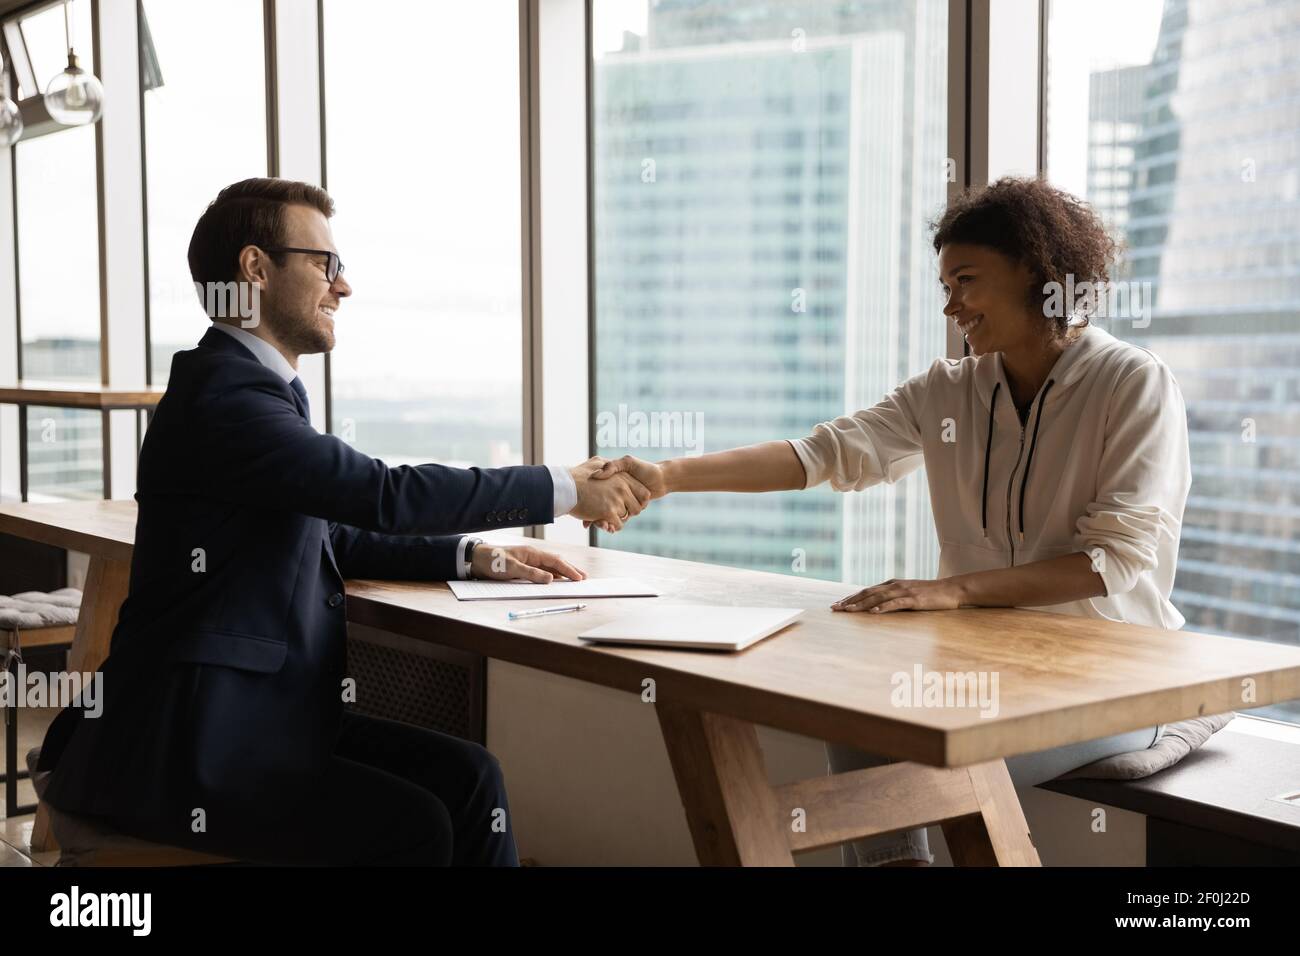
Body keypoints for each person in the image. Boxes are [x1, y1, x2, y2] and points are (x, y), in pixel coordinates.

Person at [37, 177, 652, 865]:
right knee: (416, 826)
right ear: (255, 269)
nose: (344, 285)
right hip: (190, 748)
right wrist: (562, 487)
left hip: (260, 722)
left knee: (472, 779)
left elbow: (328, 533)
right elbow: (382, 493)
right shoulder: (226, 400)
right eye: (326, 264)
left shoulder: (251, 391)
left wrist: (471, 557)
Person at [591, 177, 1188, 866]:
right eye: (945, 284)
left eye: (965, 280)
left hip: (1115, 680)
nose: (951, 304)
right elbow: (819, 455)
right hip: (989, 666)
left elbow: (1109, 564)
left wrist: (954, 591)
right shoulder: (949, 390)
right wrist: (668, 478)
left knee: (908, 775)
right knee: (860, 720)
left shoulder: (1132, 384)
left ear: (1035, 270)